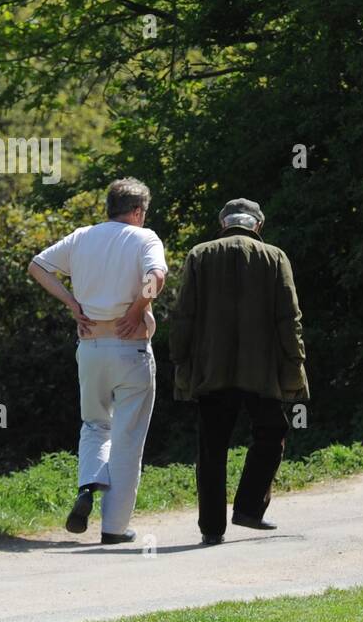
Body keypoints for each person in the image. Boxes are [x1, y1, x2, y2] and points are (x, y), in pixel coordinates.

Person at [27, 178, 167, 545]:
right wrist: (138, 309)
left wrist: (73, 304)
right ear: (137, 211)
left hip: (90, 347)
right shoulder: (145, 238)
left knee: (94, 425)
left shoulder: (81, 237)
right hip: (130, 348)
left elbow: (37, 266)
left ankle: (88, 484)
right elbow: (156, 277)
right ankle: (114, 528)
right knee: (128, 437)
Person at [171, 198, 308, 545]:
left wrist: (180, 359)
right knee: (272, 431)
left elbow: (183, 314)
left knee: (211, 446)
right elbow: (288, 318)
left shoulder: (199, 255)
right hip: (260, 371)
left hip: (210, 369)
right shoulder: (275, 257)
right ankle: (249, 507)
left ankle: (211, 528)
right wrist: (295, 362)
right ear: (257, 226)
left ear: (223, 224)